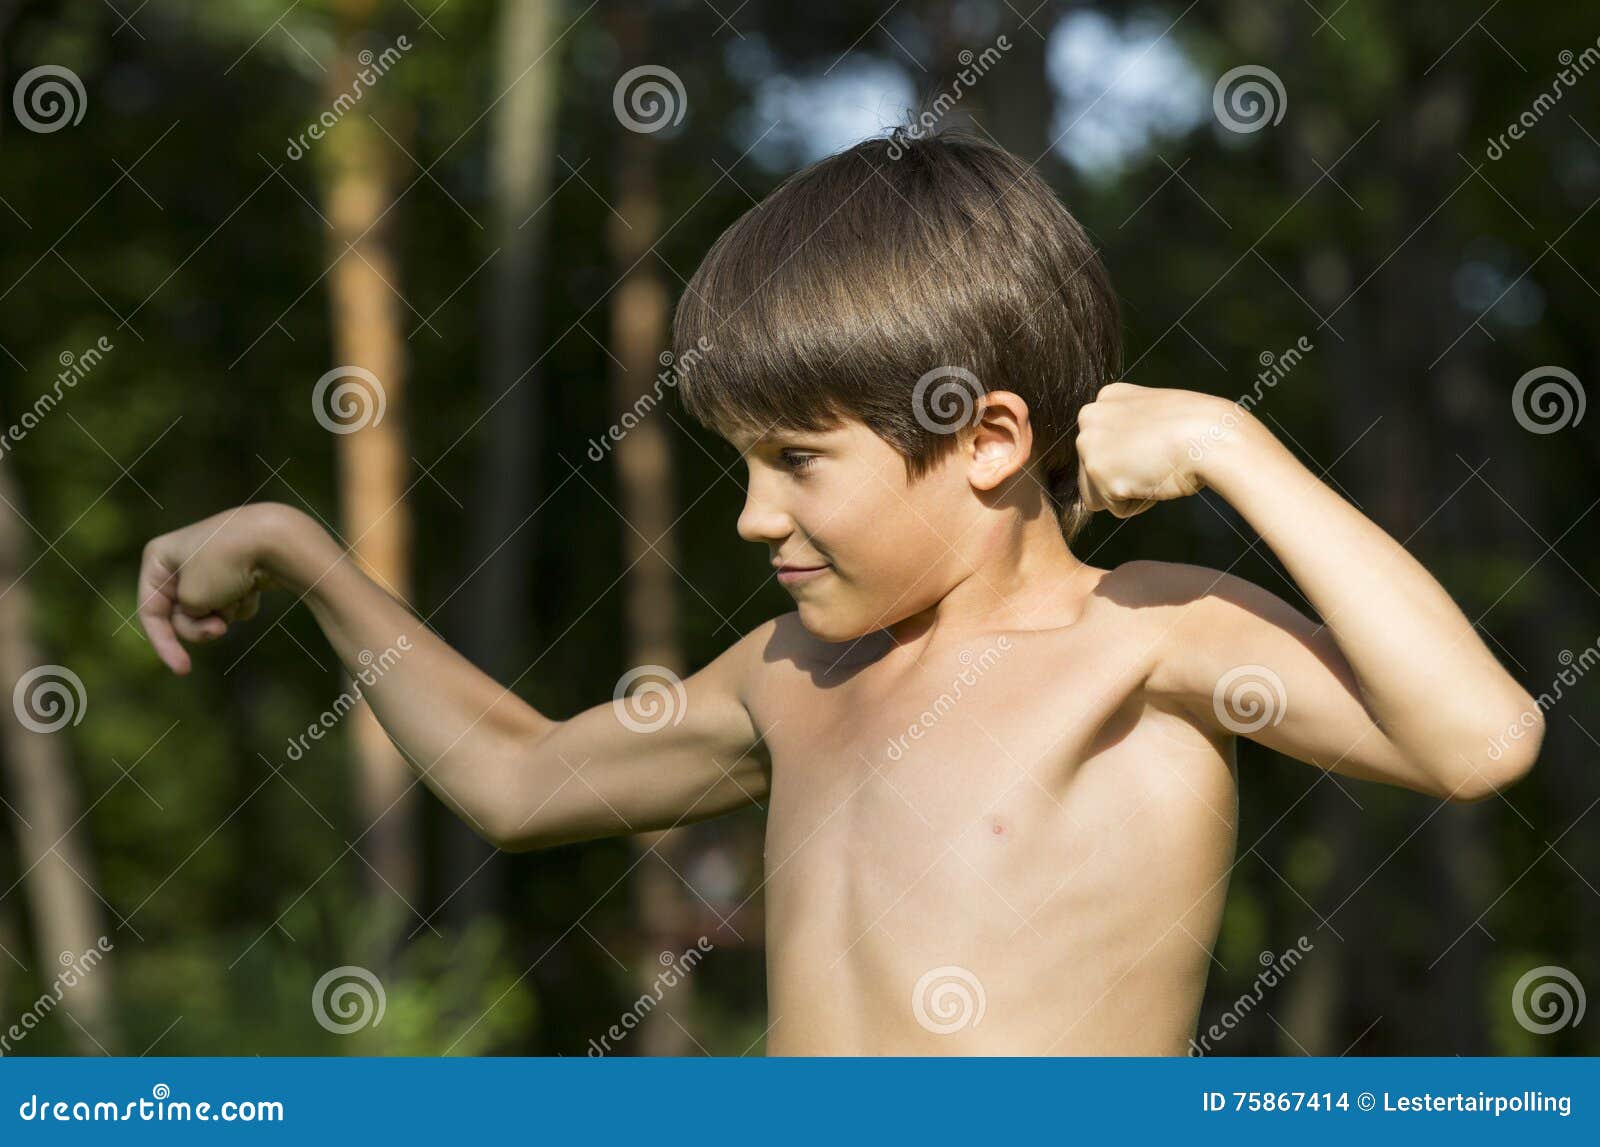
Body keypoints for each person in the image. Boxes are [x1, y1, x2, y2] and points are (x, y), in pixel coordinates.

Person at [136, 128, 1542, 1054]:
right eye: (743, 464)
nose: (754, 516)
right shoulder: (786, 676)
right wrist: (297, 549)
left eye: (798, 461)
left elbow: (1478, 739)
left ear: (989, 437)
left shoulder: (1147, 633)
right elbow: (514, 781)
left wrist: (1236, 443)